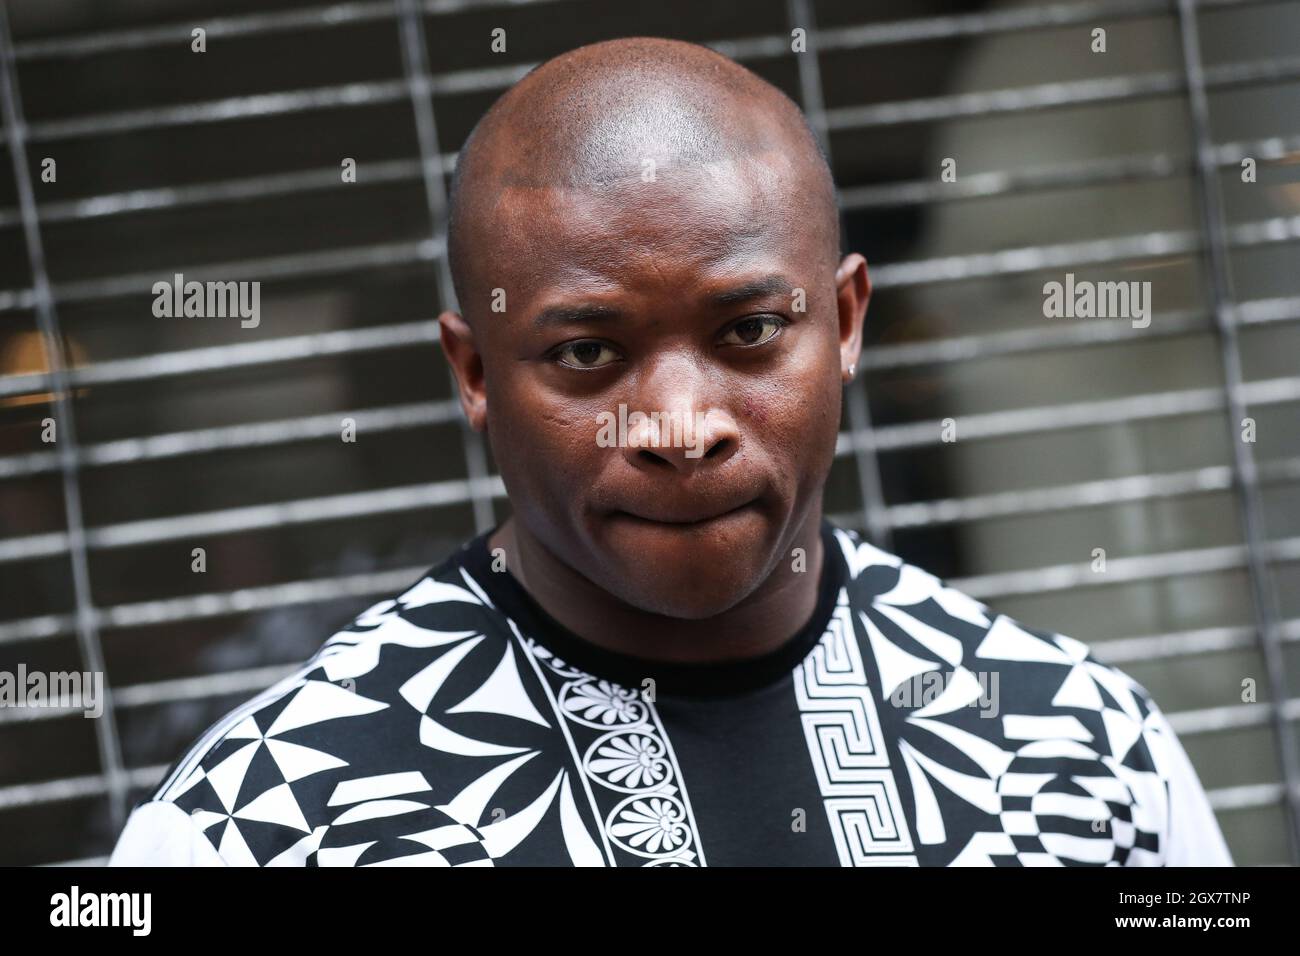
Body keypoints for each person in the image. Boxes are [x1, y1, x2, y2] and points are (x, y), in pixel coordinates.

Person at [108, 36, 1231, 867]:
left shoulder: (1082, 748)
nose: (679, 426)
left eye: (748, 332)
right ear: (475, 374)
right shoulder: (272, 818)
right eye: (588, 351)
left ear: (843, 326)